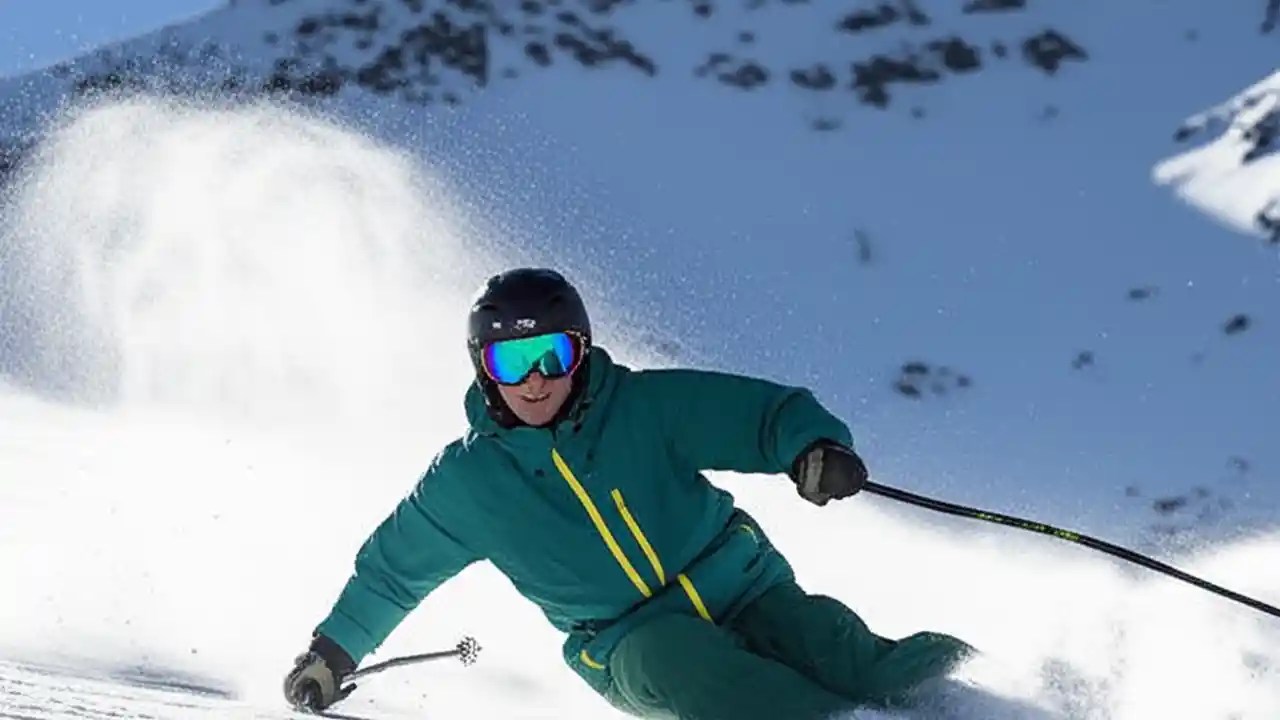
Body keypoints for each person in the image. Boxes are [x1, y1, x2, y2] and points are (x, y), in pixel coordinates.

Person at [283, 268, 972, 719]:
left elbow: (761, 416)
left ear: (579, 351)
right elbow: (392, 571)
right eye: (510, 361)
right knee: (695, 669)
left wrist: (814, 448)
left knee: (842, 651)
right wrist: (332, 653)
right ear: (483, 369)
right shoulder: (470, 483)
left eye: (550, 355)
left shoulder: (642, 407)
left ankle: (984, 697)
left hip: (745, 587)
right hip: (628, 642)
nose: (535, 381)